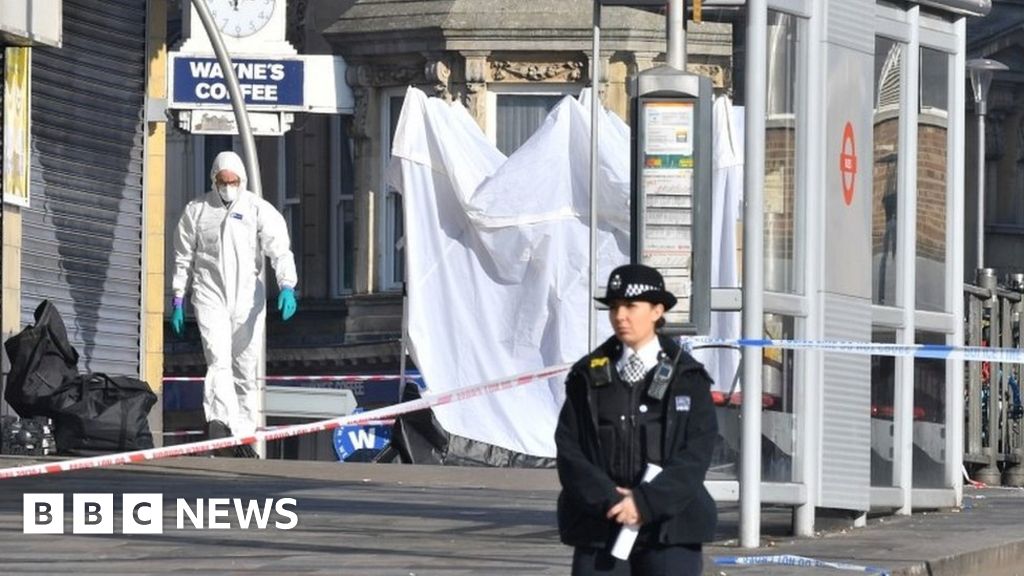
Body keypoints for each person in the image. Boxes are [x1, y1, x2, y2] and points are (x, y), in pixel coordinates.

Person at [555, 264, 718, 575]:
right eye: (614, 307)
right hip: (601, 526)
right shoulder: (587, 375)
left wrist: (645, 503)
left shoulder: (687, 377)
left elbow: (695, 455)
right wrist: (613, 502)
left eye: (630, 306)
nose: (620, 316)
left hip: (670, 530)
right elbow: (570, 449)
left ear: (657, 311)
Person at [170, 151, 298, 458]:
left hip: (247, 300)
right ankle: (220, 422)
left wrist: (287, 285)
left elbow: (279, 248)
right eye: (223, 181)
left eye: (234, 181)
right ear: (214, 179)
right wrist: (177, 297)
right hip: (210, 294)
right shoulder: (197, 211)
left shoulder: (256, 209)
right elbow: (182, 256)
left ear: (242, 180)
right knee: (218, 358)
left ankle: (242, 434)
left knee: (244, 367)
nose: (228, 187)